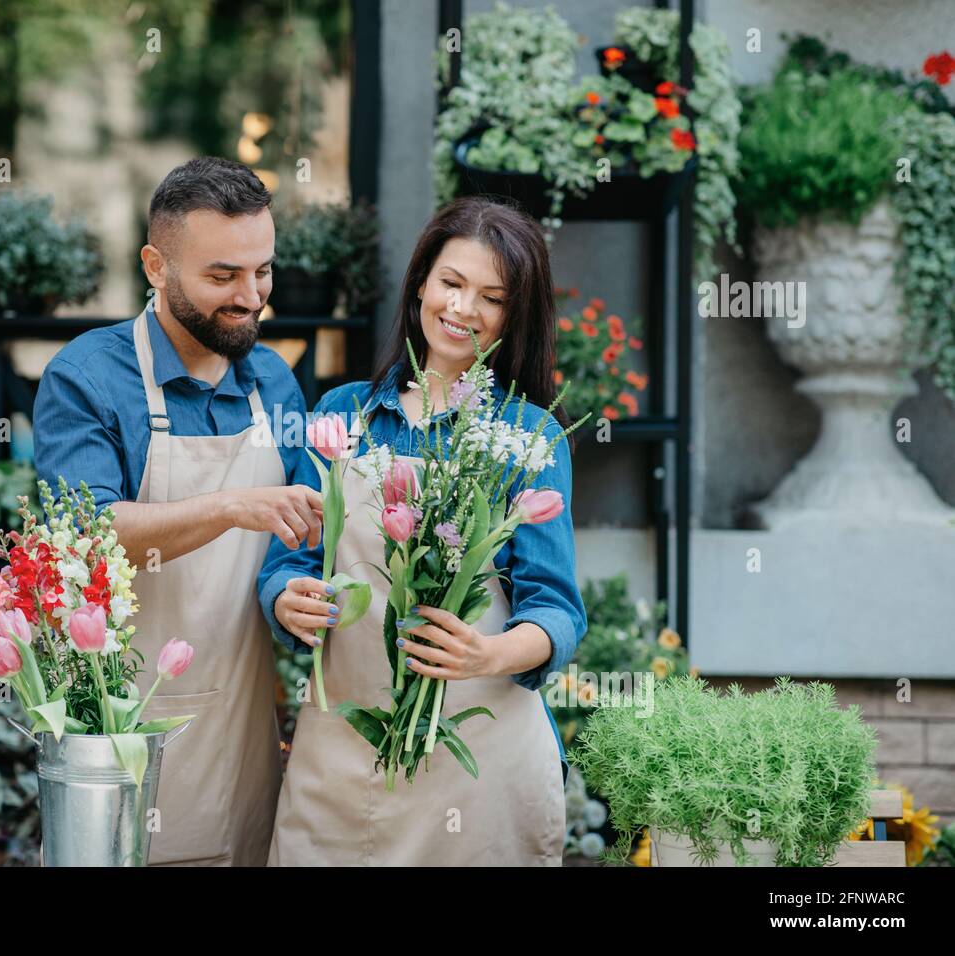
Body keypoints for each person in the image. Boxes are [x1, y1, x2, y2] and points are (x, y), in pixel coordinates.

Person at [258, 195, 587, 865]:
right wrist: (285, 597)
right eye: (452, 283)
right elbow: (288, 560)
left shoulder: (529, 437)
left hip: (480, 760)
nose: (463, 309)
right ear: (420, 286)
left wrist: (487, 655)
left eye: (491, 298)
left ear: (513, 315)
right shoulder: (342, 416)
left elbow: (555, 611)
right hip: (341, 756)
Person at [33, 156, 324, 866]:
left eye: (263, 272)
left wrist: (293, 588)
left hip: (245, 725)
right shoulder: (88, 378)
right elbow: (90, 539)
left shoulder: (276, 384)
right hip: (122, 730)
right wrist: (229, 505)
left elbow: (304, 541)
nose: (249, 296)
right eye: (222, 276)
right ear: (156, 266)